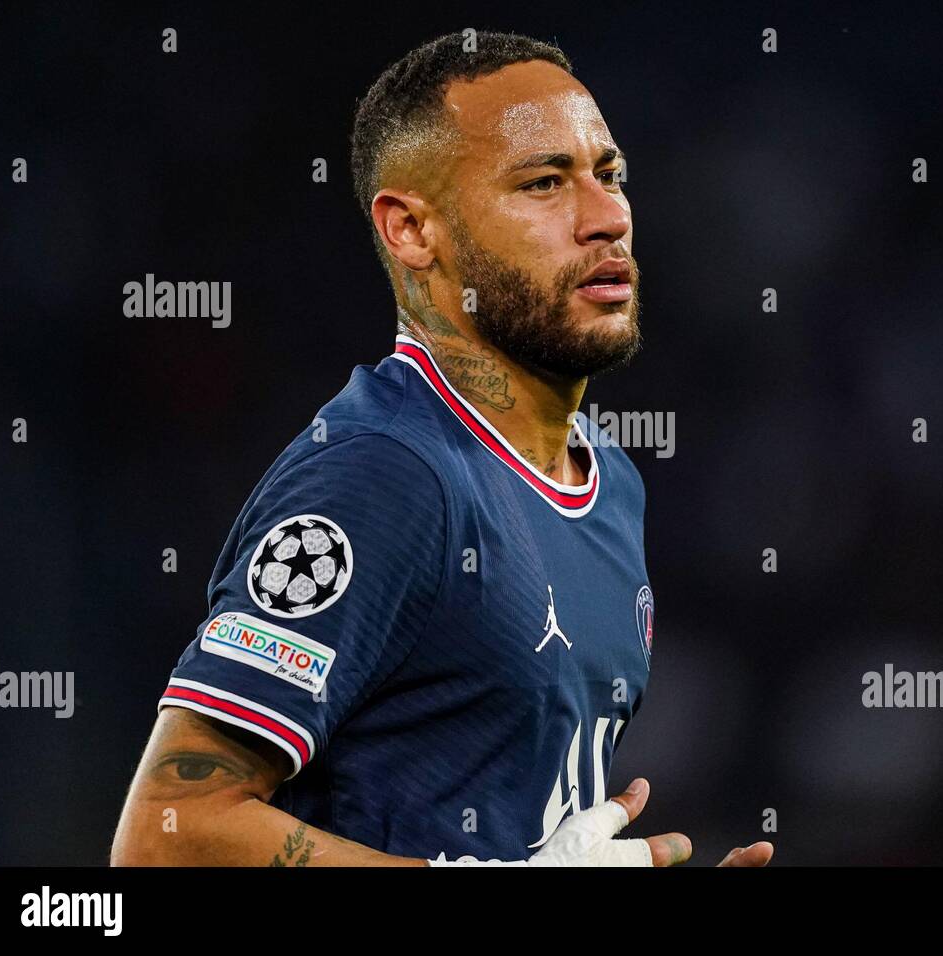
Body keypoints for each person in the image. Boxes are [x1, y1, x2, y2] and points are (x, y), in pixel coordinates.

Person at [111, 30, 772, 867]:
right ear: (414, 230)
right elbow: (165, 836)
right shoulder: (383, 475)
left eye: (609, 175)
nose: (606, 217)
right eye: (543, 183)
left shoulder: (609, 481)